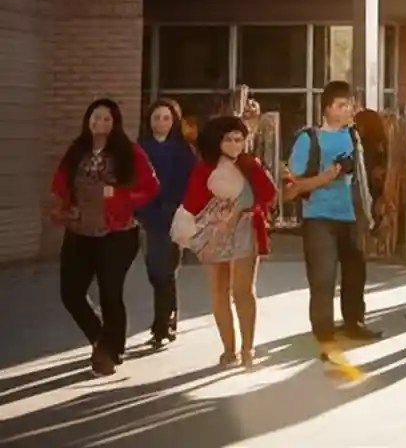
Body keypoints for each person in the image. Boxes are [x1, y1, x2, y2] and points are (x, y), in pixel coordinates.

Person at [49, 98, 160, 376]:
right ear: (88, 121)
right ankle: (102, 338)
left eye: (107, 119)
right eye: (96, 118)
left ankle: (111, 350)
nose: (101, 123)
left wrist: (121, 197)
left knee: (110, 292)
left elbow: (150, 187)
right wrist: (63, 207)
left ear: (115, 123)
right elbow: (60, 183)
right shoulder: (77, 150)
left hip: (118, 232)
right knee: (71, 293)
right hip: (80, 230)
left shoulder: (129, 152)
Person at [284, 81, 381, 363]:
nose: (347, 109)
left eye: (350, 104)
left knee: (355, 274)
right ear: (327, 109)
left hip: (351, 215)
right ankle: (325, 335)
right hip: (319, 217)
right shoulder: (309, 139)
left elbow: (362, 177)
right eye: (341, 105)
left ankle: (354, 323)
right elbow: (290, 188)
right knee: (323, 278)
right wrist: (329, 175)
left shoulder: (355, 137)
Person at [182, 116, 277, 368]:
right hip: (214, 230)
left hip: (245, 227)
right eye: (229, 139)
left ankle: (248, 348)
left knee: (242, 290)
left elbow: (268, 193)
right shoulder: (204, 168)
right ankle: (228, 349)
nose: (235, 144)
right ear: (217, 141)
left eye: (239, 138)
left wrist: (246, 202)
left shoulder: (249, 164)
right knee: (218, 290)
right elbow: (192, 201)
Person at [136, 98, 196, 349]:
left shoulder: (183, 150)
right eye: (156, 118)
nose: (160, 123)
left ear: (174, 122)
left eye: (166, 118)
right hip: (147, 215)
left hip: (173, 214)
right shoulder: (141, 148)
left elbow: (190, 184)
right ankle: (166, 317)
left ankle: (165, 322)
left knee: (166, 268)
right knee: (154, 268)